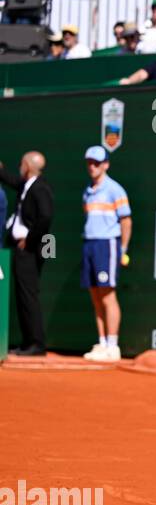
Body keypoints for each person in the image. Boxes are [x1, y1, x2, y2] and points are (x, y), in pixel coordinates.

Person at [80, 146, 132, 363]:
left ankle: (113, 345)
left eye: (97, 163)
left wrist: (123, 250)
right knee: (95, 296)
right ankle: (101, 343)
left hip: (108, 245)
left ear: (106, 165)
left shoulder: (115, 190)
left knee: (108, 295)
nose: (92, 166)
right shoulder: (88, 191)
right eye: (90, 162)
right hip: (89, 244)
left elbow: (126, 221)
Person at [0, 152, 54, 356]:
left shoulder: (40, 188)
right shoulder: (27, 184)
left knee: (28, 296)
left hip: (31, 250)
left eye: (22, 163)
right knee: (23, 296)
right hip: (23, 250)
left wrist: (29, 240)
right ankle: (27, 342)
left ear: (29, 166)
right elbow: (11, 180)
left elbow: (46, 217)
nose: (19, 166)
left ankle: (36, 344)